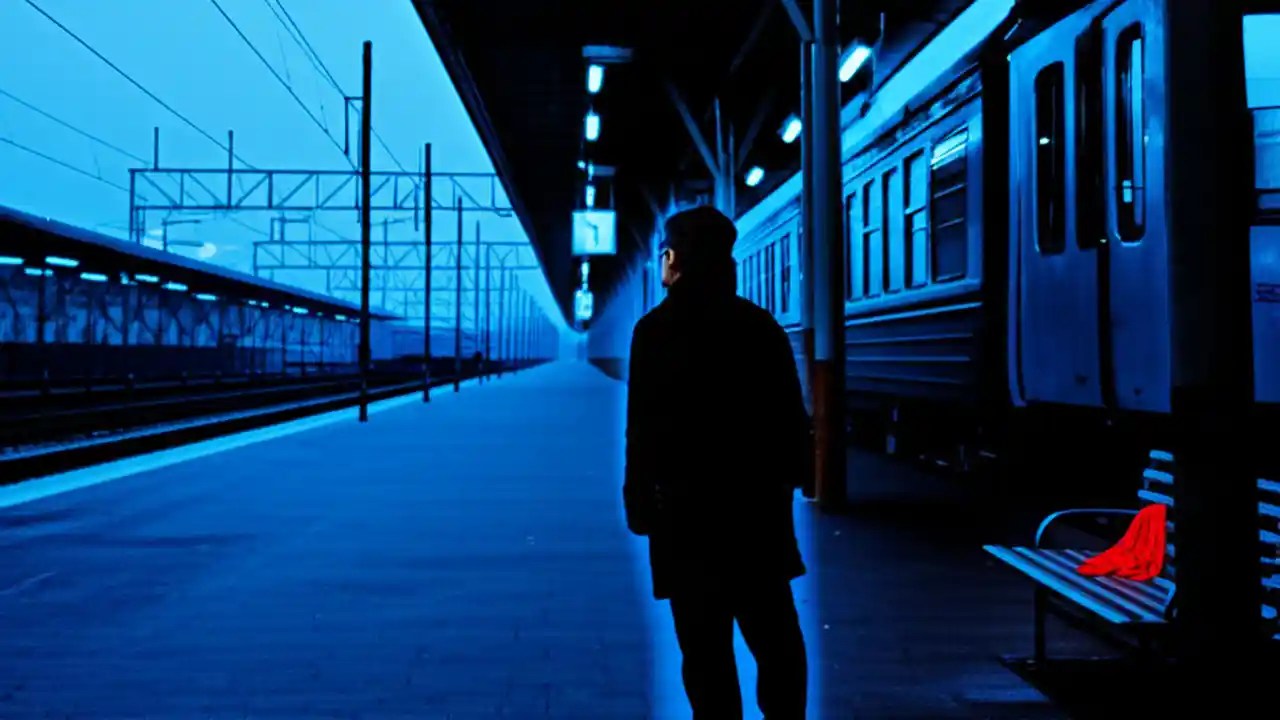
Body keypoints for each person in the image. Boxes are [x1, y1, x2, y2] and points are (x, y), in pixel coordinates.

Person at [623, 205, 812, 719]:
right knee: (777, 641)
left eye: (666, 253)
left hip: (685, 519)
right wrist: (793, 480)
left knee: (704, 650)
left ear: (676, 259)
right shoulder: (759, 326)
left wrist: (638, 500)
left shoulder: (654, 331)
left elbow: (643, 429)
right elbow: (791, 418)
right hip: (756, 515)